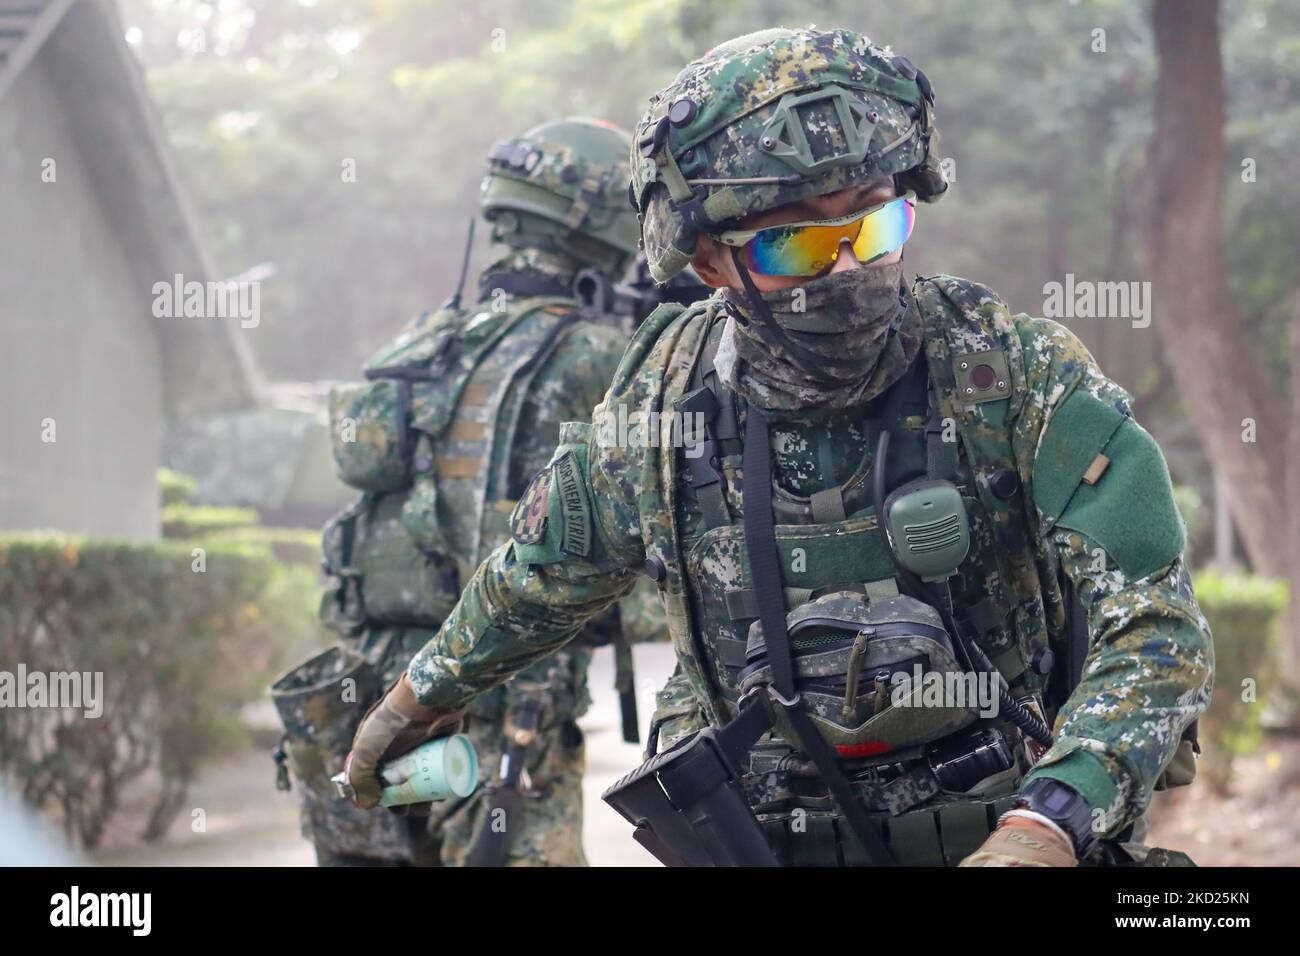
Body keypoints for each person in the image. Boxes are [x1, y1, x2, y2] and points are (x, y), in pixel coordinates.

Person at [342, 28, 1213, 867]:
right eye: (799, 241)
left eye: (873, 229)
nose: (848, 271)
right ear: (711, 263)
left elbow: (1156, 625)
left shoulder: (1011, 371)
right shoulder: (661, 398)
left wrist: (1050, 819)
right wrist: (416, 703)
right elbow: (540, 576)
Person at [273, 116, 660, 867]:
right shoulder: (597, 354)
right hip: (496, 698)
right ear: (605, 223)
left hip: (367, 687)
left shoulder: (423, 343)